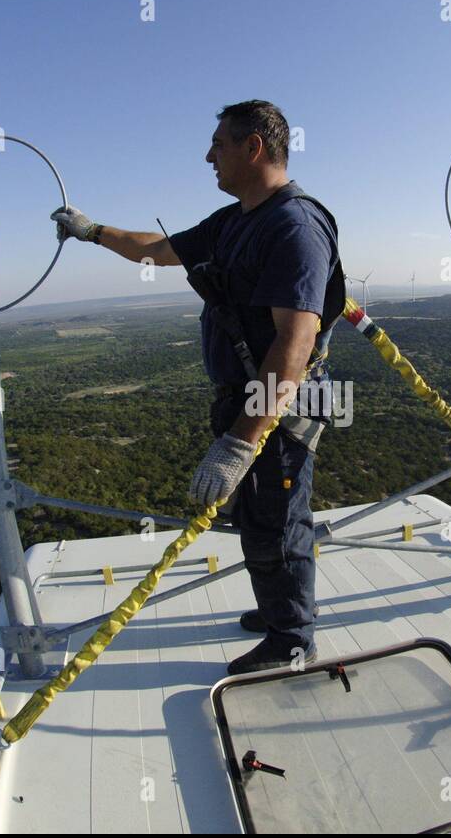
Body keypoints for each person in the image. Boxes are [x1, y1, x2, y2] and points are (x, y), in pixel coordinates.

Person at [51, 99, 342, 674]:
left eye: (219, 144)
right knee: (261, 519)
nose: (209, 156)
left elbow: (295, 346)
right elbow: (156, 250)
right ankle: (283, 608)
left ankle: (292, 639)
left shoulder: (294, 226)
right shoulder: (238, 220)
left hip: (280, 405)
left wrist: (241, 440)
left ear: (253, 147)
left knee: (277, 520)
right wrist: (91, 231)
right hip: (254, 401)